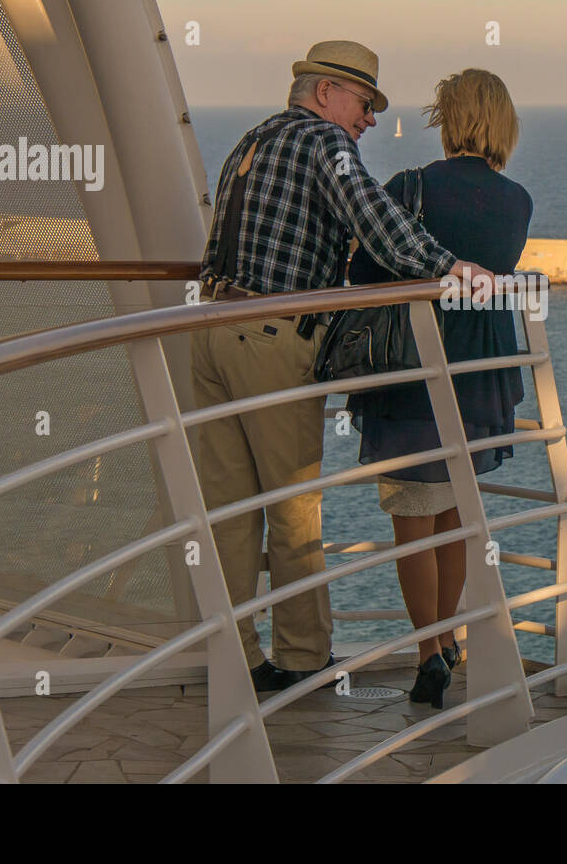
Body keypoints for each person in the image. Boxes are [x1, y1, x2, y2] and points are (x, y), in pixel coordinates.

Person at [191, 41, 496, 693]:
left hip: (210, 330)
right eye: (363, 104)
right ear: (327, 91)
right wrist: (452, 269)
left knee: (230, 510)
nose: (367, 121)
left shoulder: (252, 142)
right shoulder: (322, 144)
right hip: (272, 338)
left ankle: (234, 655)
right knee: (292, 507)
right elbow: (379, 222)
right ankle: (301, 658)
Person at [346, 69, 531, 709]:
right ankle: (447, 638)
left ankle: (428, 653)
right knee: (455, 517)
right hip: (481, 378)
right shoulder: (517, 201)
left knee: (411, 521)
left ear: (448, 120)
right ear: (501, 122)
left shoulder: (410, 188)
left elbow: (368, 270)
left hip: (413, 373)